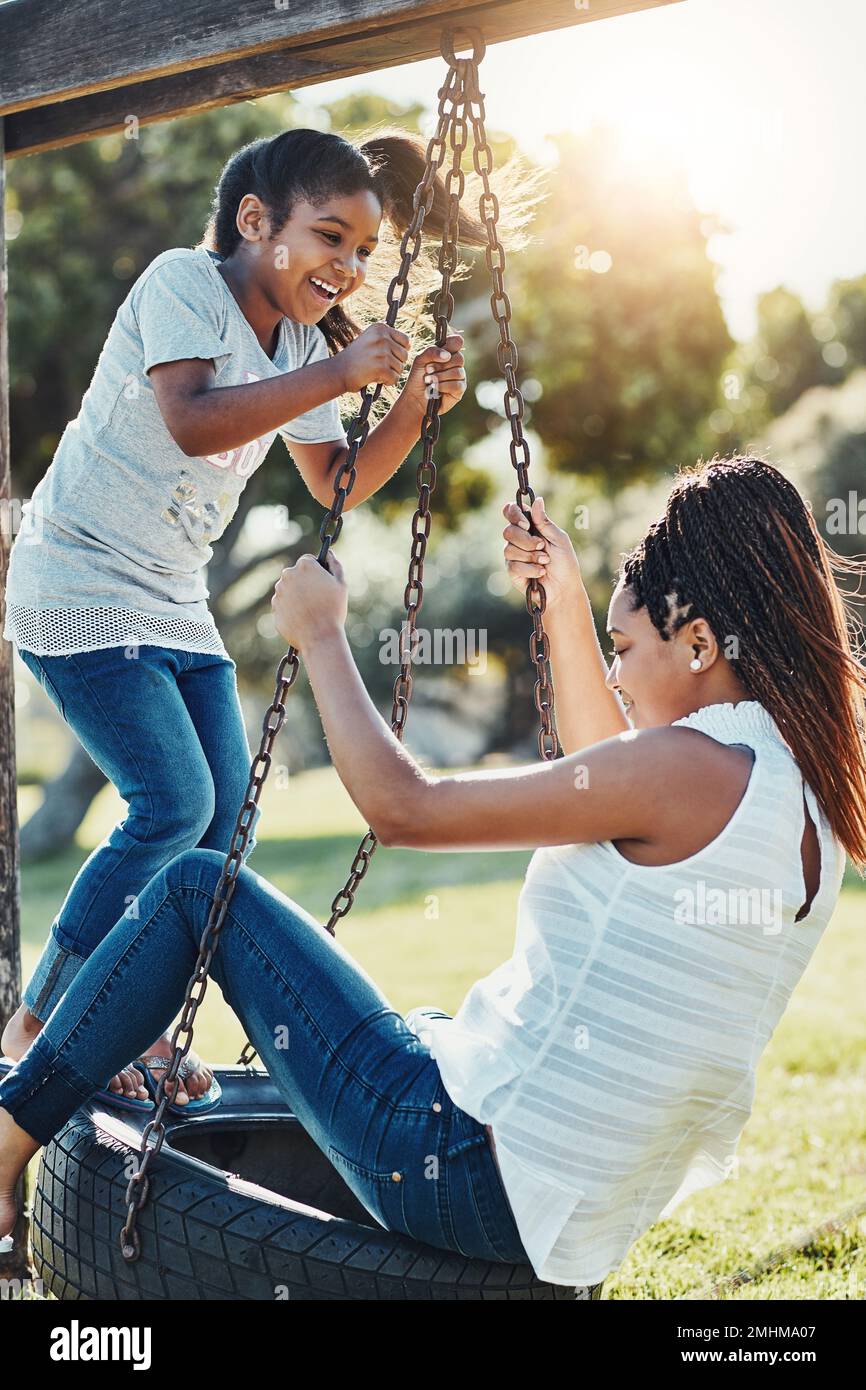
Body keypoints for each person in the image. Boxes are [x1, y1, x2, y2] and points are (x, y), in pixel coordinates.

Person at [2, 455, 864, 1289]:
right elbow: (619, 774)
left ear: (702, 643)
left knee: (199, 885)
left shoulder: (685, 770)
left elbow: (403, 806)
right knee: (424, 1023)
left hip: (463, 1170)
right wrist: (565, 602)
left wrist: (322, 635)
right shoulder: (798, 790)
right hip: (564, 1219)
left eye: (624, 645)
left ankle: (6, 1138)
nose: (614, 674)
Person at [1, 124, 491, 1108]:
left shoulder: (303, 345)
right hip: (78, 581)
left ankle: (130, 1028)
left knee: (226, 818)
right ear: (255, 221)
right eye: (329, 237)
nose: (348, 266)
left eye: (362, 249)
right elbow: (189, 416)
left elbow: (335, 479)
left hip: (173, 601)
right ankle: (41, 1017)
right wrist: (341, 378)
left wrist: (410, 409)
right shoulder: (184, 283)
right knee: (173, 801)